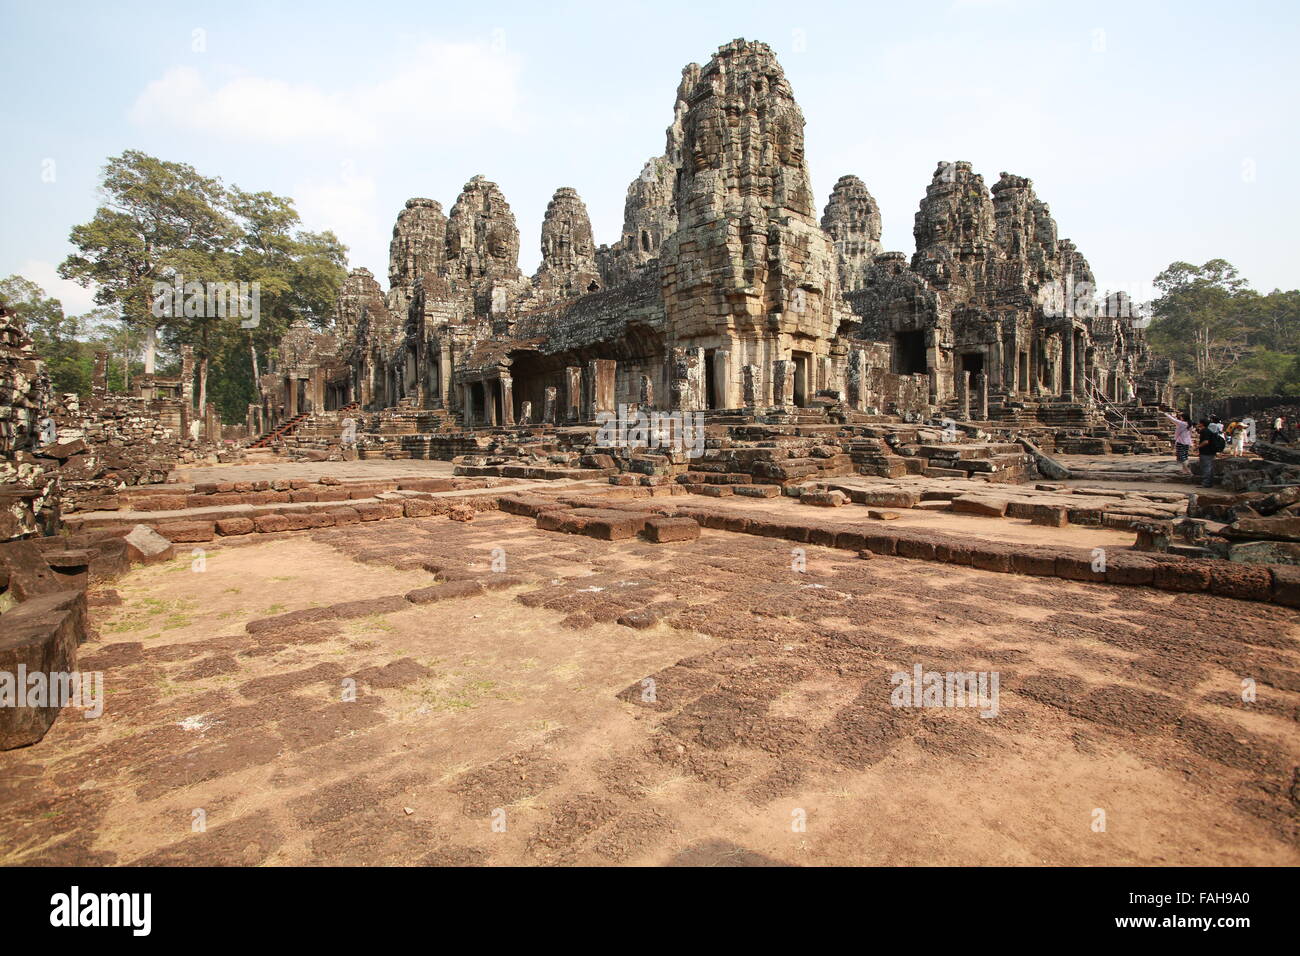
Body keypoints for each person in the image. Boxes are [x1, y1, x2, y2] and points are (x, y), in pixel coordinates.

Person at [1196, 418, 1224, 488]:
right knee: (1209, 467)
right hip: (1211, 451)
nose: (1198, 424)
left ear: (1202, 424)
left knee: (1206, 467)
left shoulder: (1205, 431)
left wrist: (1197, 447)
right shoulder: (1209, 431)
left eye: (1199, 423)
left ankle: (1206, 483)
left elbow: (1206, 441)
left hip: (1206, 452)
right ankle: (1209, 482)